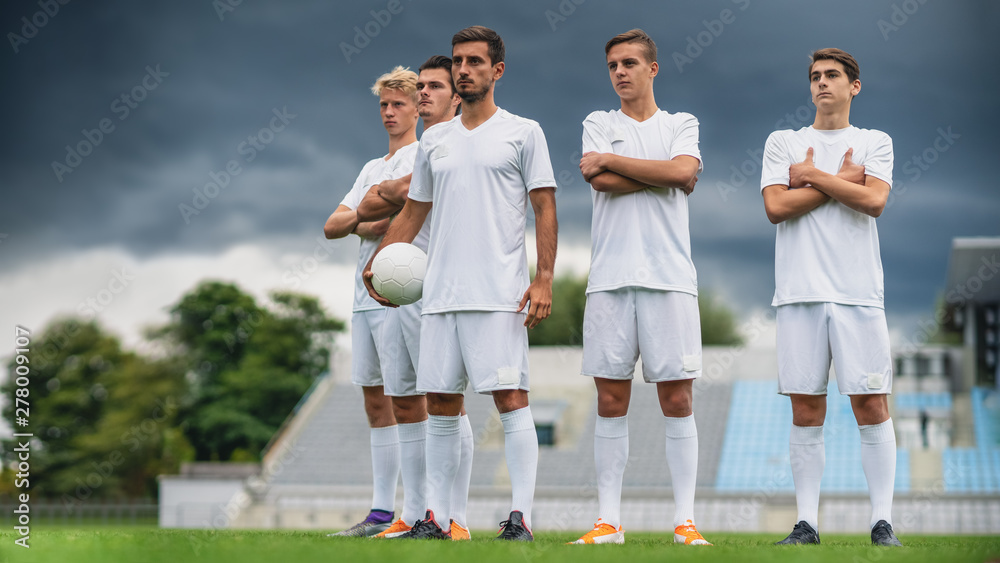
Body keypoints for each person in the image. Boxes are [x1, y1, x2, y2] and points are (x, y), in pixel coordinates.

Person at [363, 25, 558, 541]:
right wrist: (380, 260)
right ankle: (442, 519)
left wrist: (544, 279)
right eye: (458, 62)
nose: (464, 70)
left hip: (498, 293)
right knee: (442, 402)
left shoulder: (524, 132)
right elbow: (415, 210)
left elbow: (545, 208)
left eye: (474, 61)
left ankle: (521, 518)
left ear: (496, 70)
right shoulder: (436, 139)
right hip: (439, 294)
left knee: (510, 398)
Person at [570, 29, 709, 547]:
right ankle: (609, 522)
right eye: (612, 65)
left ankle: (685, 521)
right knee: (610, 398)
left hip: (669, 278)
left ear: (653, 68)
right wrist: (666, 175)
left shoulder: (682, 122)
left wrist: (618, 162)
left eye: (630, 63)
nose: (620, 72)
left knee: (677, 398)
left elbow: (683, 171)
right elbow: (597, 178)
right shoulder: (597, 122)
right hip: (609, 279)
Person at [761, 48, 902, 547]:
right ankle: (806, 524)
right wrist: (842, 180)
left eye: (833, 76)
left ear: (854, 86)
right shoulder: (784, 141)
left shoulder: (874, 141)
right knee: (806, 408)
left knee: (871, 403)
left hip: (857, 293)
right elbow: (777, 207)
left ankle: (882, 523)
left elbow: (875, 200)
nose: (822, 83)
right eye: (815, 76)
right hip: (799, 292)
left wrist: (815, 177)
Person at [355, 56, 474, 541]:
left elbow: (404, 196)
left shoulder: (458, 143)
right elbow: (367, 206)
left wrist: (393, 191)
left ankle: (456, 517)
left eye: (432, 88)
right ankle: (415, 511)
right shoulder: (424, 147)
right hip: (401, 287)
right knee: (404, 400)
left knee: (447, 399)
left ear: (455, 95)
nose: (423, 95)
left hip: (440, 286)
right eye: (418, 88)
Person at [322, 66, 420, 537]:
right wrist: (367, 216)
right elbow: (333, 225)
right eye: (383, 104)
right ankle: (381, 510)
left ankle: (418, 509)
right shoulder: (370, 169)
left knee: (409, 398)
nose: (389, 112)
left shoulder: (423, 154)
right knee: (374, 399)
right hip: (363, 296)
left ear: (418, 107)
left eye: (398, 103)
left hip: (401, 295)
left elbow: (395, 209)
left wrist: (362, 214)